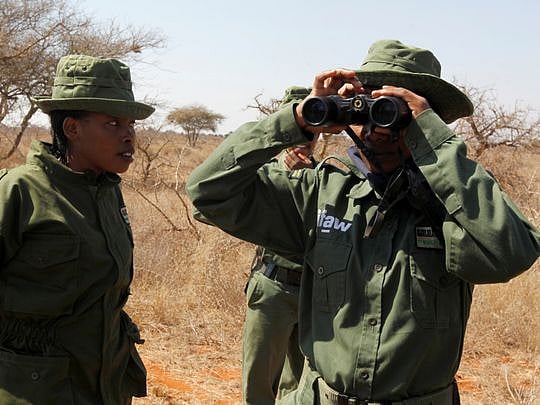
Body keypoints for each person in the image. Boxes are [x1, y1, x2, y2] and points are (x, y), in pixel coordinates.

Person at [186, 39, 540, 404]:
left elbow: (511, 253)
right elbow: (208, 191)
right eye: (369, 108)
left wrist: (434, 140)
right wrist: (297, 119)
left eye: (393, 112)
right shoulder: (321, 193)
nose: (379, 128)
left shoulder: (456, 205)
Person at [0, 54, 154, 404]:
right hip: (37, 388)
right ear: (72, 129)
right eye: (112, 125)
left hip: (105, 383)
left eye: (131, 124)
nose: (129, 136)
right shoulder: (18, 192)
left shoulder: (107, 192)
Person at [243, 87, 315, 404]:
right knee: (260, 384)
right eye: (298, 129)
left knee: (301, 386)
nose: (304, 138)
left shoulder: (328, 179)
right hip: (273, 288)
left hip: (313, 295)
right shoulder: (266, 176)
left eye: (312, 131)